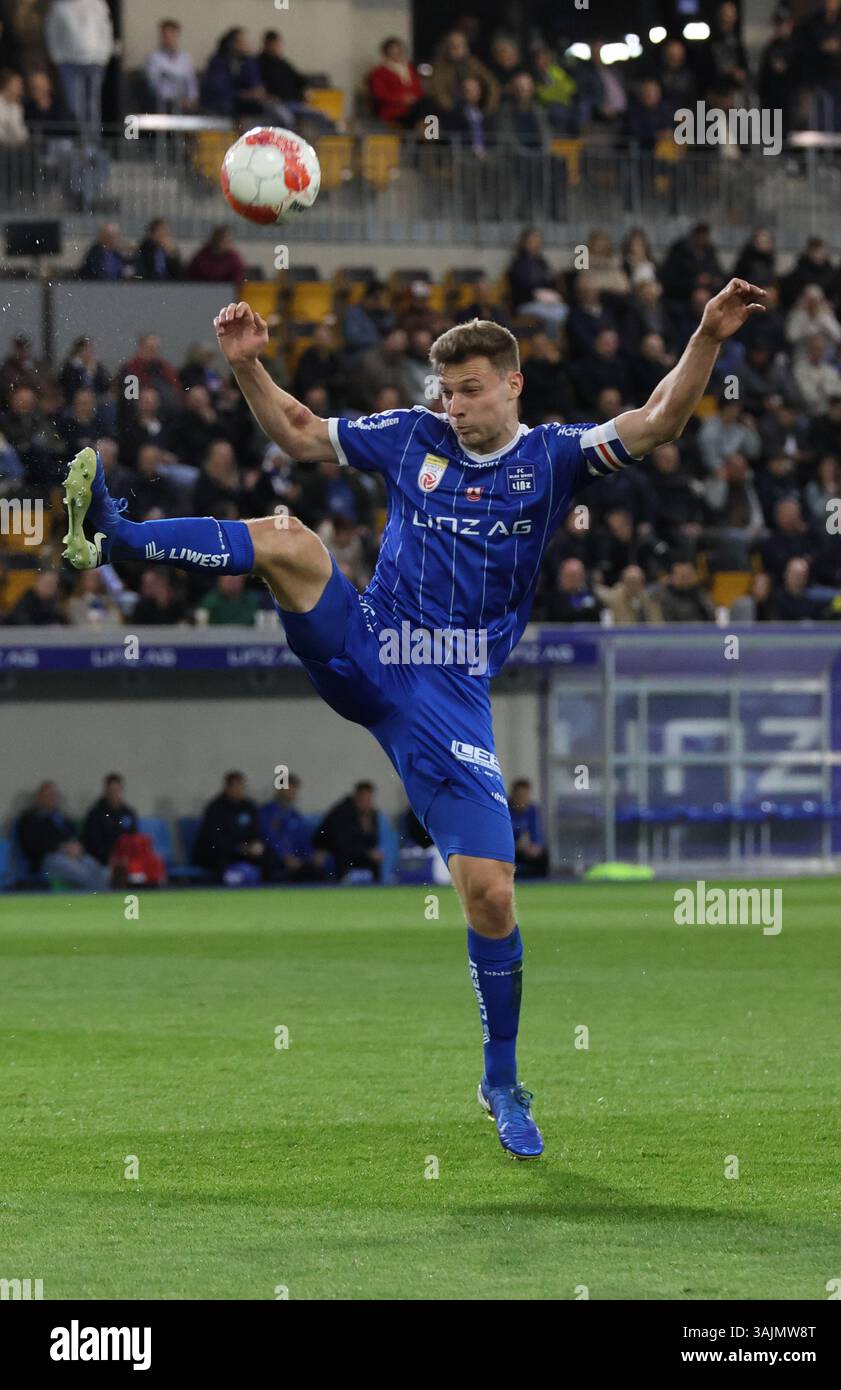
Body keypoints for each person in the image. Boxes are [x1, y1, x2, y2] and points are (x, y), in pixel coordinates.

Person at [58, 272, 768, 1161]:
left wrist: (706, 334)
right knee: (292, 540)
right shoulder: (410, 437)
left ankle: (501, 1079)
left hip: (448, 695)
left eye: (472, 389)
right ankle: (112, 538)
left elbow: (659, 420)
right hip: (368, 646)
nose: (456, 405)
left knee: (493, 896)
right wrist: (249, 366)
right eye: (447, 389)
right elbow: (298, 431)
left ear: (513, 385)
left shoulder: (551, 458)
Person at [16, 780, 110, 889]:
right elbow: (31, 846)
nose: (51, 798)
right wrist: (61, 847)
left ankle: (107, 898)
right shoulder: (30, 819)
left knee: (102, 871)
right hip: (49, 858)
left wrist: (77, 846)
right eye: (47, 795)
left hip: (72, 856)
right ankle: (96, 900)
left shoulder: (61, 818)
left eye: (53, 795)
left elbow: (75, 834)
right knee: (83, 874)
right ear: (39, 797)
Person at [44, 0, 114, 142]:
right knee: (73, 104)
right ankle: (79, 139)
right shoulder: (59, 7)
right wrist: (57, 57)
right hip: (69, 62)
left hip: (94, 61)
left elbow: (106, 30)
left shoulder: (98, 5)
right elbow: (51, 32)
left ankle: (92, 143)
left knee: (92, 105)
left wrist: (104, 55)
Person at [194, 771, 273, 884]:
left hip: (245, 850)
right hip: (223, 850)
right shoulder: (215, 808)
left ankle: (267, 888)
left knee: (269, 855)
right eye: (237, 786)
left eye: (242, 786)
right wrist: (238, 847)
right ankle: (223, 885)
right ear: (228, 787)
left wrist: (256, 843)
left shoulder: (249, 806)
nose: (240, 789)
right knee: (219, 855)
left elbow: (256, 830)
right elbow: (213, 837)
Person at [261, 774, 327, 881]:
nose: (291, 792)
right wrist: (284, 856)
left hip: (299, 863)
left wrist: (312, 855)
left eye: (294, 789)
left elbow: (304, 841)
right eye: (288, 788)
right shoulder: (267, 813)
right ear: (279, 789)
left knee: (318, 871)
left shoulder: (296, 816)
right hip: (278, 862)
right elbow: (269, 839)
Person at [316, 781, 384, 882]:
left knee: (375, 860)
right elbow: (341, 842)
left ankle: (377, 888)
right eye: (365, 798)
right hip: (331, 849)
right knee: (343, 856)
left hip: (357, 852)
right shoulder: (341, 812)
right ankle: (342, 882)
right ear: (357, 797)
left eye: (370, 798)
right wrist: (366, 852)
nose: (368, 802)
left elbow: (372, 841)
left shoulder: (371, 814)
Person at [368, 36, 425, 127]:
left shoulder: (409, 68)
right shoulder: (379, 73)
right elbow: (379, 94)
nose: (396, 54)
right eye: (392, 52)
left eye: (398, 51)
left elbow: (418, 89)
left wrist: (413, 98)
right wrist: (401, 99)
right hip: (393, 111)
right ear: (386, 53)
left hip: (413, 107)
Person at [145, 18, 198, 114]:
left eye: (172, 35)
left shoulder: (186, 58)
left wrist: (191, 99)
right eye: (165, 36)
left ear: (177, 36)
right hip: (163, 103)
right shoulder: (154, 58)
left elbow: (191, 83)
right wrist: (176, 99)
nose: (168, 39)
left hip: (184, 105)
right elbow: (154, 86)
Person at [82, 772, 138, 863]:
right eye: (111, 791)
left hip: (126, 859)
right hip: (101, 860)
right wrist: (110, 857)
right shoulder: (95, 814)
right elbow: (93, 843)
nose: (114, 794)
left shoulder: (128, 813)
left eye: (117, 790)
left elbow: (133, 836)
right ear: (106, 791)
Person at [508, 779, 548, 878]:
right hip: (509, 850)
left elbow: (536, 833)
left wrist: (535, 846)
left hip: (524, 850)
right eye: (520, 796)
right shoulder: (504, 809)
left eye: (526, 796)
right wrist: (515, 846)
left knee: (544, 855)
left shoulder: (532, 810)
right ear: (513, 795)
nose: (523, 800)